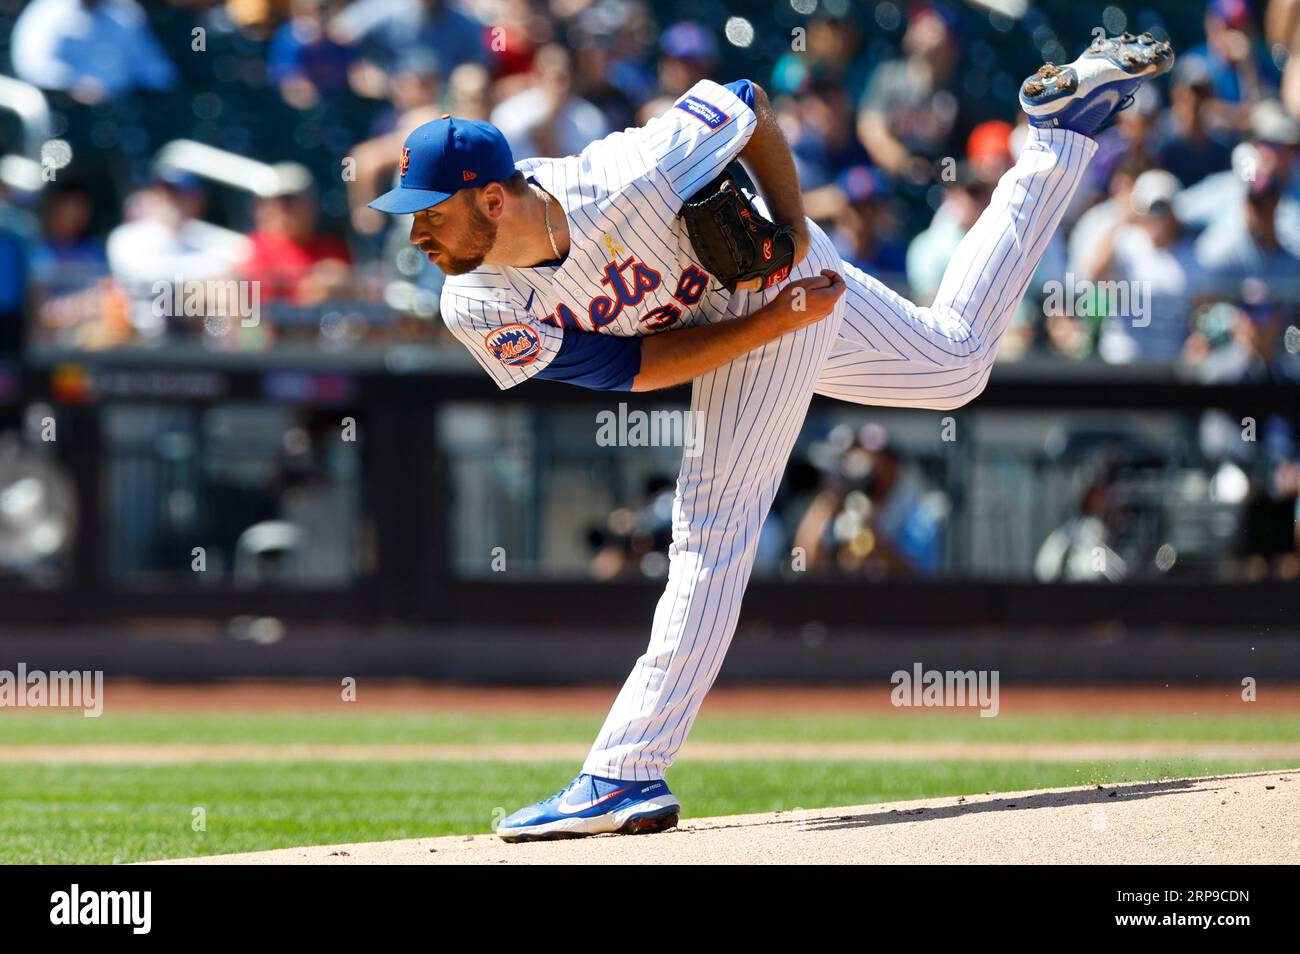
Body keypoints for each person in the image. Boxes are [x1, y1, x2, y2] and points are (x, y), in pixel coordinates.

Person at [367, 33, 1174, 841]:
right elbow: (636, 368)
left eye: (430, 215)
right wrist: (773, 325)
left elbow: (746, 101)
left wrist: (789, 231)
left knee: (711, 529)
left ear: (495, 201)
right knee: (955, 364)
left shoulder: (626, 175)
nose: (416, 238)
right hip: (754, 316)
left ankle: (624, 773)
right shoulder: (475, 304)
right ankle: (1061, 137)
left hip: (776, 273)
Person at [10, 0, 177, 103]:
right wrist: (73, 85)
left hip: (120, 112)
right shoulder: (48, 10)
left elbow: (153, 68)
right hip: (65, 108)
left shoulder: (126, 14)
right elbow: (31, 62)